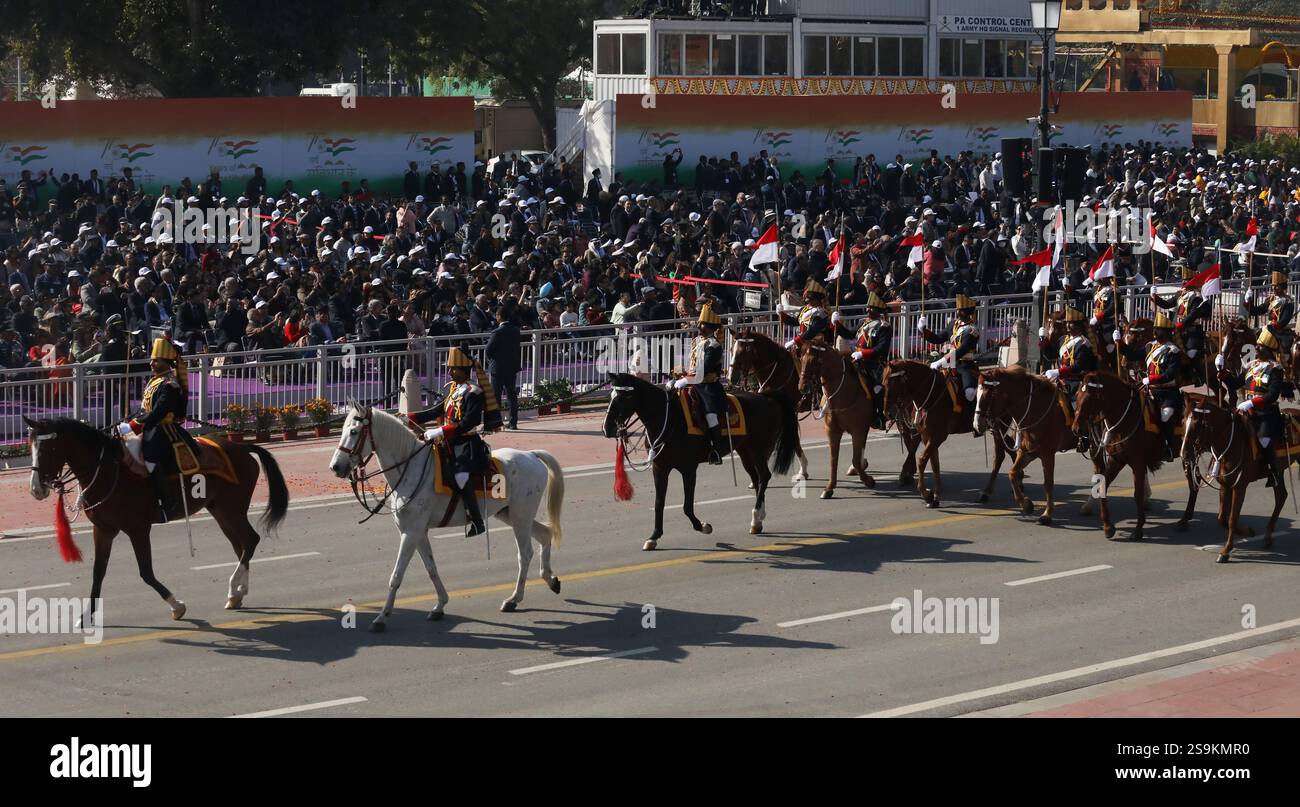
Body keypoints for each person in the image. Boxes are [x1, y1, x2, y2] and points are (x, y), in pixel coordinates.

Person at [420, 346, 502, 537]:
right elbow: (436, 411)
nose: (449, 372)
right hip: (448, 441)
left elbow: (467, 424)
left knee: (461, 476)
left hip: (466, 444)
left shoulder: (474, 392)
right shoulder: (453, 389)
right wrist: (411, 417)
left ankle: (476, 520)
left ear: (464, 370)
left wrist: (439, 430)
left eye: (453, 368)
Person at [118, 337, 197, 523]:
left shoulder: (170, 384)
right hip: (150, 426)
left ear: (167, 362)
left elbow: (160, 412)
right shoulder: (155, 381)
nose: (152, 363)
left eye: (156, 360)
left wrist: (134, 426)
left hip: (163, 430)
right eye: (152, 360)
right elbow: (146, 408)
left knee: (151, 459)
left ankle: (167, 503)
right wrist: (129, 419)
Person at [1220, 329, 1289, 487]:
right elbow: (1235, 383)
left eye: (1260, 346)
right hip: (1246, 411)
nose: (1256, 348)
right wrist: (1222, 373)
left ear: (1268, 350)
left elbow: (1272, 395)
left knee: (1264, 439)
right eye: (1256, 345)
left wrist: (1253, 403)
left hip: (1265, 413)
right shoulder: (1251, 366)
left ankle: (1273, 471)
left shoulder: (1275, 369)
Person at [674, 304, 727, 465]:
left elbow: (703, 370)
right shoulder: (697, 341)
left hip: (708, 387)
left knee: (710, 416)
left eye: (702, 324)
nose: (698, 326)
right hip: (692, 383)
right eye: (699, 323)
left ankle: (716, 450)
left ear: (709, 327)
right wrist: (681, 372)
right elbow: (694, 365)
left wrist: (685, 379)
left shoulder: (714, 346)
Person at [836, 292, 891, 427]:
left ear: (877, 310)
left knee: (877, 388)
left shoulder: (884, 326)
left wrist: (863, 354)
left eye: (870, 308)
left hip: (875, 363)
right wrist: (837, 324)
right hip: (858, 360)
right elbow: (849, 334)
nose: (867, 310)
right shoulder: (863, 322)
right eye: (867, 307)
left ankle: (879, 415)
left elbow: (882, 348)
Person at [1135, 311, 1184, 461]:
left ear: (1167, 332)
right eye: (1155, 328)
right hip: (1150, 391)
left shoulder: (1173, 351)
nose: (1155, 331)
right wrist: (1121, 344)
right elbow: (1133, 354)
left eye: (1158, 329)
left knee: (1166, 415)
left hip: (1168, 393)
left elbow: (1170, 374)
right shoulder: (1150, 346)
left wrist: (1152, 379)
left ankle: (1168, 446)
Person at [1149, 262, 1210, 380]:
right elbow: (1167, 304)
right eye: (1182, 280)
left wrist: (1182, 324)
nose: (1183, 283)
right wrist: (1155, 298)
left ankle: (1197, 375)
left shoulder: (1197, 296)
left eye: (1186, 280)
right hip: (1179, 328)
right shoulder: (1180, 294)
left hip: (1192, 330)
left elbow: (1193, 314)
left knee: (1191, 354)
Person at [919, 293, 980, 403]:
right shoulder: (953, 324)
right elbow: (938, 338)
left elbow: (961, 351)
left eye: (961, 310)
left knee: (970, 393)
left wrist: (940, 362)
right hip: (949, 365)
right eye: (958, 309)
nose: (958, 312)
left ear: (967, 312)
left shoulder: (972, 330)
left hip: (965, 366)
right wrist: (923, 329)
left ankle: (971, 417)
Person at [1044, 306, 1097, 424]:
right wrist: (1044, 341)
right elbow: (1051, 355)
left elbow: (1078, 366)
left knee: (1076, 406)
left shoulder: (1084, 344)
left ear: (1079, 326)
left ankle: (1081, 431)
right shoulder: (1063, 339)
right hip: (1063, 380)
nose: (1067, 326)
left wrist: (1058, 372)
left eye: (1071, 323)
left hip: (1076, 381)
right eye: (1067, 323)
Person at [485, 302, 522, 429]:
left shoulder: (497, 332)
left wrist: (491, 361)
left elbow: (488, 350)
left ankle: (496, 423)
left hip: (498, 368)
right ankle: (513, 422)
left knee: (496, 396)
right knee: (512, 395)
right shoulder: (516, 330)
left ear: (499, 316)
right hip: (511, 366)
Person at [1243, 271, 1294, 360]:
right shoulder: (1271, 299)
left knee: (1284, 352)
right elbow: (1257, 311)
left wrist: (1272, 326)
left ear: (1282, 288)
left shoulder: (1288, 302)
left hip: (1279, 330)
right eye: (1273, 286)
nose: (1274, 288)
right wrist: (1248, 301)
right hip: (1269, 328)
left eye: (1277, 286)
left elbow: (1285, 319)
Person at [779, 278, 830, 349]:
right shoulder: (805, 309)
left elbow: (812, 331)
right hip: (802, 343)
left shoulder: (821, 313)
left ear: (817, 299)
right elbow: (795, 322)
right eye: (808, 298)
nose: (808, 300)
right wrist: (781, 314)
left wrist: (795, 340)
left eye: (811, 298)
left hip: (816, 344)